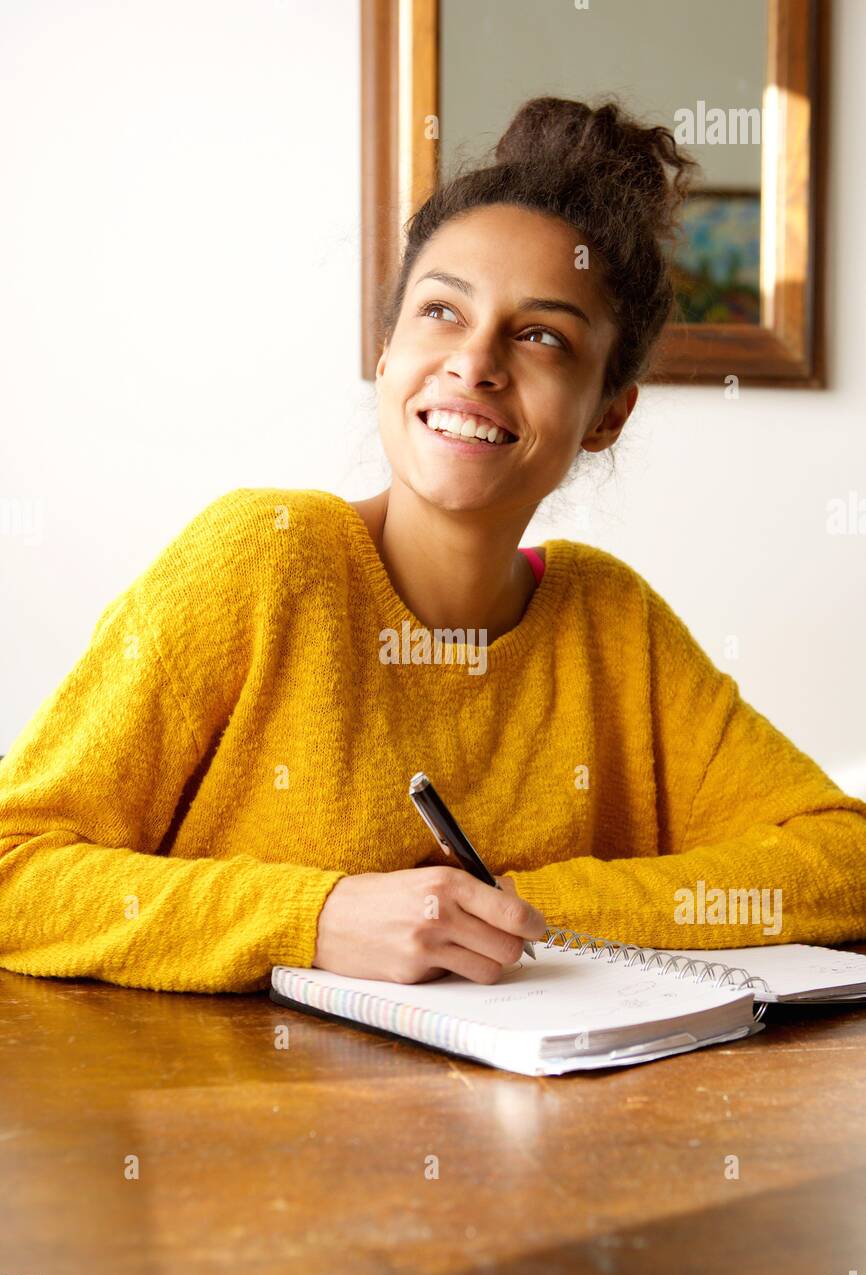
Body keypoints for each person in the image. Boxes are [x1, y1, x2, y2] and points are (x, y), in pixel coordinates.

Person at [1, 97, 864, 996]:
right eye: (443, 312)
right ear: (387, 352)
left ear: (607, 414)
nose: (475, 362)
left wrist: (516, 910)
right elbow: (13, 870)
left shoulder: (613, 624)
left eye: (541, 336)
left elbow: (842, 857)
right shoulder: (261, 559)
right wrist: (319, 917)